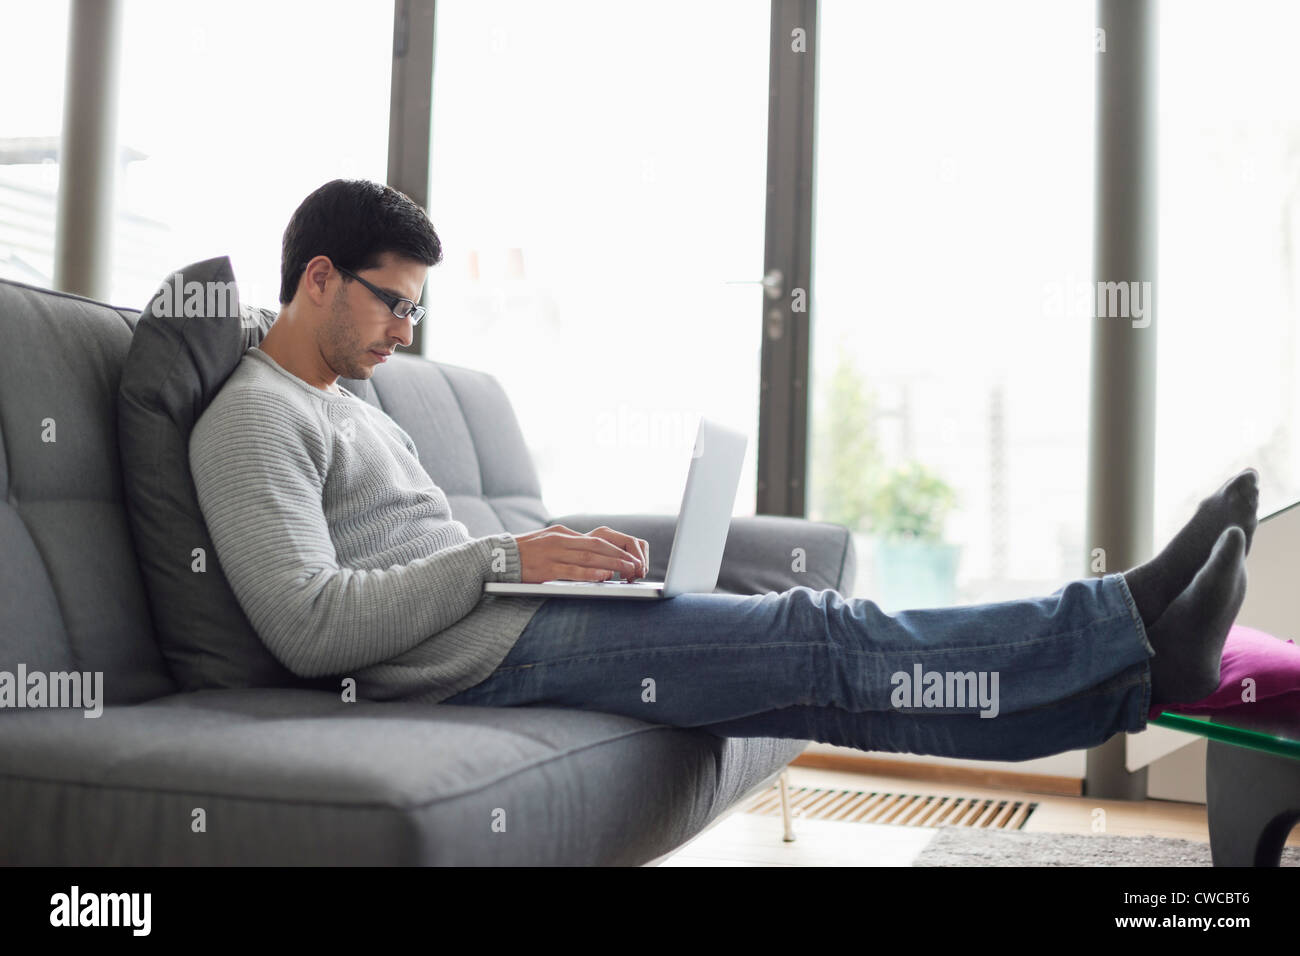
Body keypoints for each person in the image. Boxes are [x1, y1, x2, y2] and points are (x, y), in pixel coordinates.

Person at [189, 179, 1257, 765]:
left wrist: (548, 558)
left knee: (830, 686)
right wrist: (511, 556)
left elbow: (432, 554)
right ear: (319, 276)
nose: (405, 329)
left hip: (505, 614)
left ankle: (1137, 672)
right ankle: (1123, 614)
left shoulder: (348, 396)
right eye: (392, 300)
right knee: (815, 632)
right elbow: (311, 627)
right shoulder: (251, 419)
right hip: (474, 655)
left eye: (418, 307)